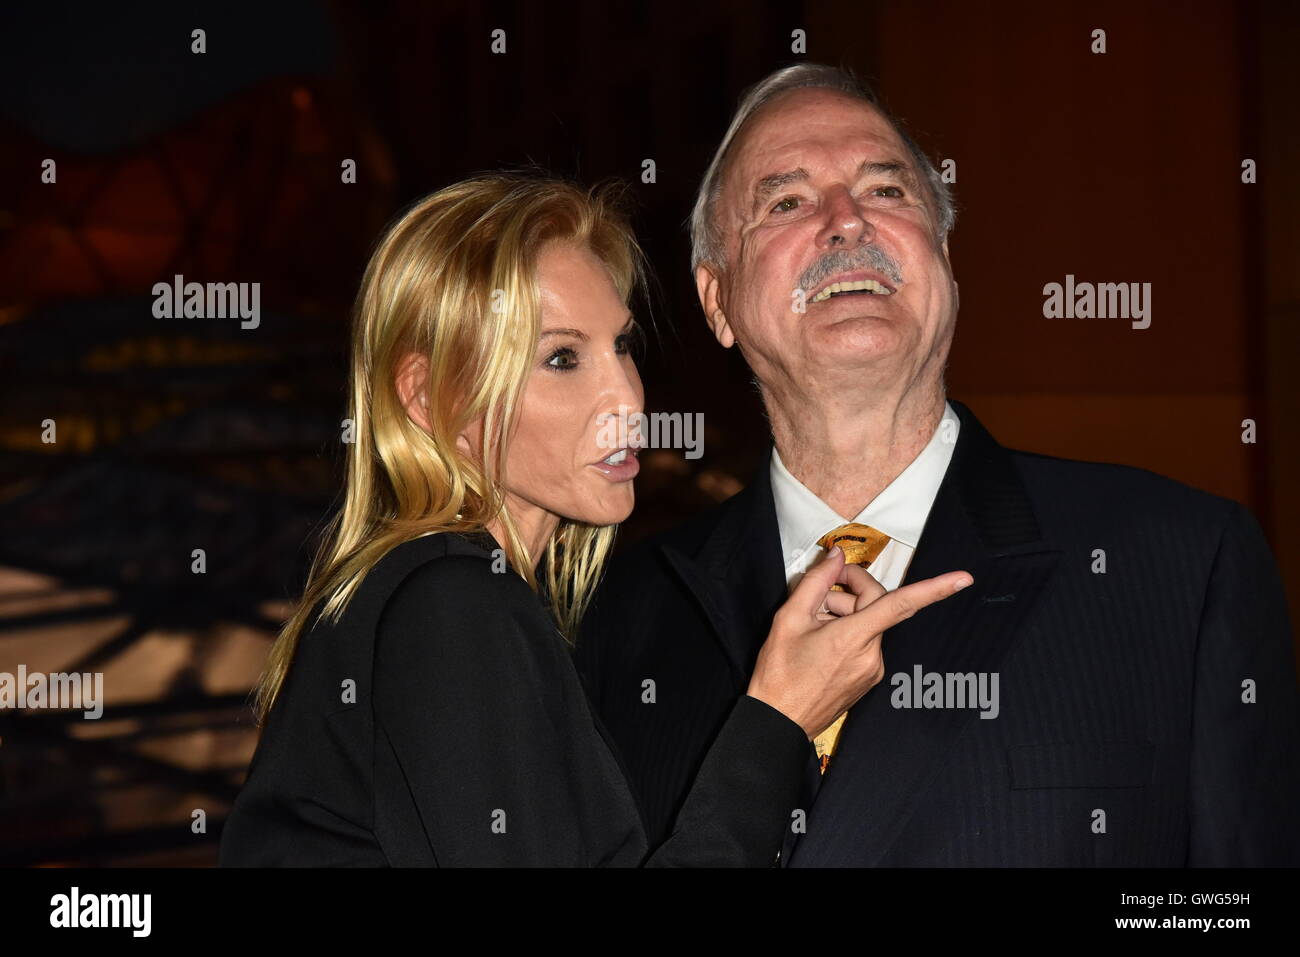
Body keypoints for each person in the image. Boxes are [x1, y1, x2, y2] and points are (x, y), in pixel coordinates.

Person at [574, 63, 1300, 866]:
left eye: (887, 192)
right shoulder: (615, 620)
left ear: (945, 261)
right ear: (716, 301)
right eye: (786, 202)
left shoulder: (1179, 564)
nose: (847, 222)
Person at [217, 172, 973, 867]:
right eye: (561, 359)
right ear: (431, 399)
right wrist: (778, 717)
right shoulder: (451, 602)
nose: (628, 399)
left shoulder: (442, 597)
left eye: (621, 345)